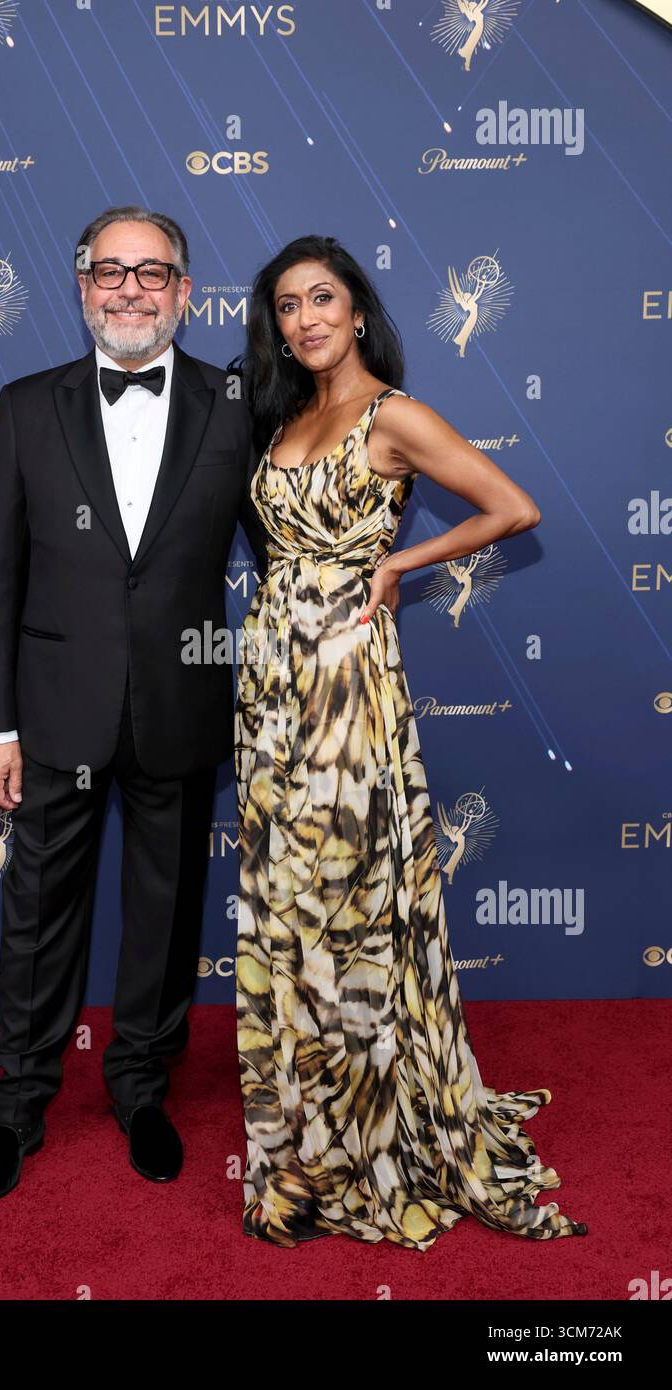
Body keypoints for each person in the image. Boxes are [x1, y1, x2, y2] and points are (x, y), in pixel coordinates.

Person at [233, 234, 588, 1248]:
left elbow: (512, 508)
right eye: (287, 306)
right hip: (271, 686)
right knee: (286, 919)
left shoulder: (394, 415)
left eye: (322, 299)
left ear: (356, 309)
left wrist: (401, 565)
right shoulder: (292, 415)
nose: (305, 319)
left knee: (347, 916)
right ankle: (301, 1151)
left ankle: (374, 1144)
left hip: (346, 689)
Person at [0, 205, 267, 1204]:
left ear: (185, 290)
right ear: (81, 284)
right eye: (110, 270)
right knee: (39, 911)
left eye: (153, 272)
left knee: (165, 909)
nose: (130, 289)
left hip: (181, 701)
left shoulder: (237, 402)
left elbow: (285, 549)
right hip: (52, 709)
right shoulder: (23, 404)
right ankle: (18, 1106)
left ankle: (141, 1089)